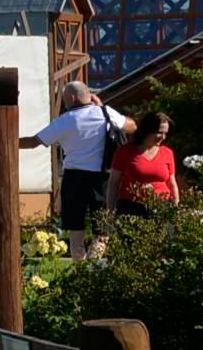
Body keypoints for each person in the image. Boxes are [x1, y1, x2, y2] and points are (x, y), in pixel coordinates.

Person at [25, 82, 129, 256]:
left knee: (75, 227)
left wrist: (5, 140)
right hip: (102, 175)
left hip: (74, 177)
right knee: (103, 227)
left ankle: (79, 265)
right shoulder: (105, 112)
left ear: (72, 98)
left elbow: (35, 142)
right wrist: (102, 107)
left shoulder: (66, 119)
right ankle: (96, 263)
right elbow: (131, 126)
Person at [113, 110, 179, 209]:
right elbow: (114, 183)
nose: (163, 137)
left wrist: (175, 206)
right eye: (159, 132)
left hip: (162, 207)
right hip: (132, 207)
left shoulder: (167, 153)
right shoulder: (125, 151)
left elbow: (172, 183)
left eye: (165, 133)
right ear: (147, 130)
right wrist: (110, 211)